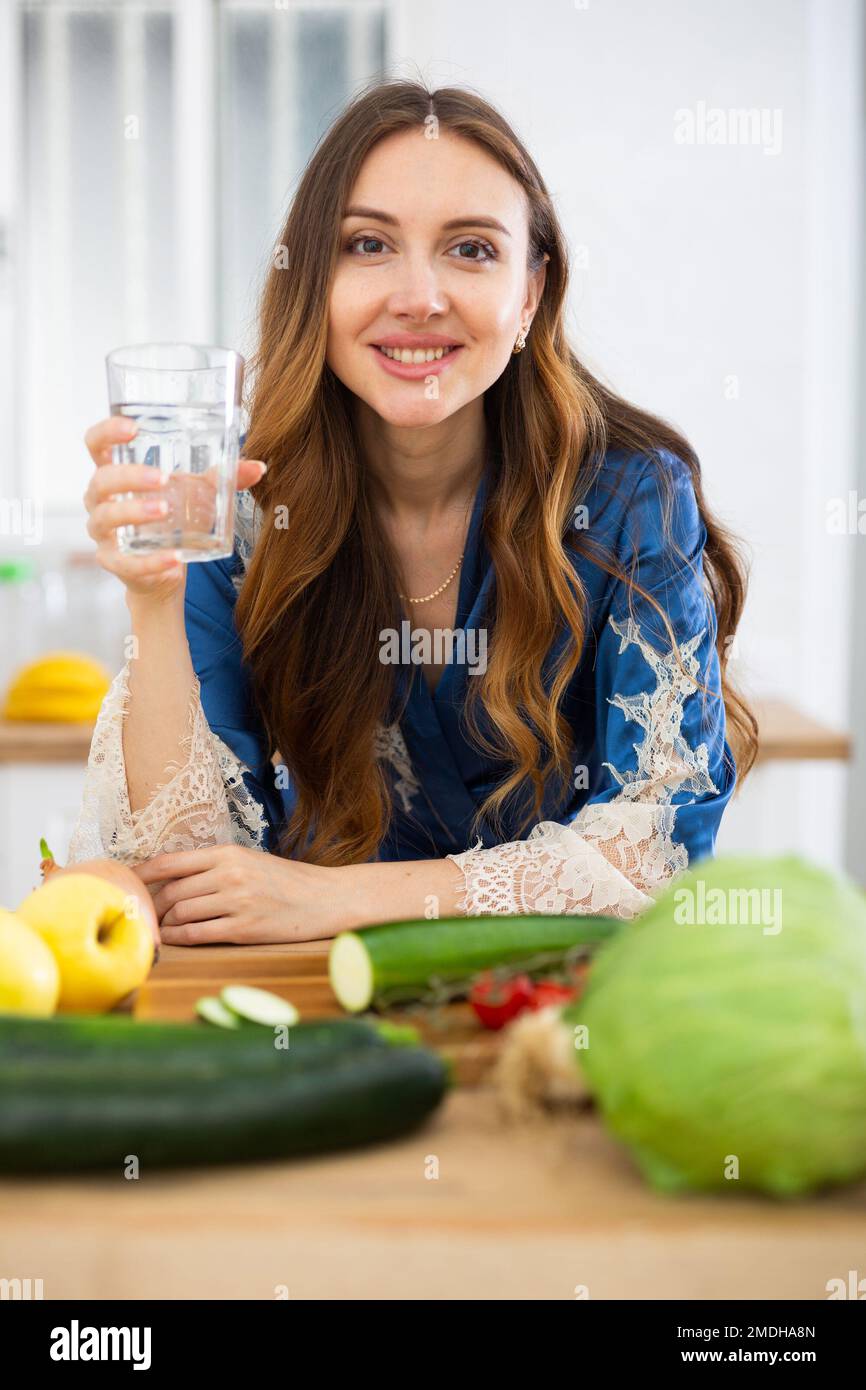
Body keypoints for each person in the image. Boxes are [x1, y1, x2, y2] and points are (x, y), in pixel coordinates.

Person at [72, 80, 756, 945]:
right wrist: (151, 597)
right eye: (369, 244)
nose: (419, 296)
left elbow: (658, 855)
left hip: (560, 1009)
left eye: (471, 249)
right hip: (309, 1009)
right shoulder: (233, 499)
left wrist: (334, 898)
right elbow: (188, 874)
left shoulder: (629, 498)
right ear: (313, 279)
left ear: (531, 295)